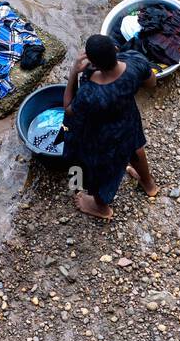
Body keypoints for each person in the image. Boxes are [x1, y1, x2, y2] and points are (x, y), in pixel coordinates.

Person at [61, 33, 159, 220]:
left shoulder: (90, 92)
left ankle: (101, 208)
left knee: (99, 171)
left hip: (103, 134)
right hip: (128, 119)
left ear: (94, 64)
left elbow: (68, 110)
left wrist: (74, 72)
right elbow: (151, 83)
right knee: (135, 148)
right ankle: (149, 185)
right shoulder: (135, 61)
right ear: (115, 50)